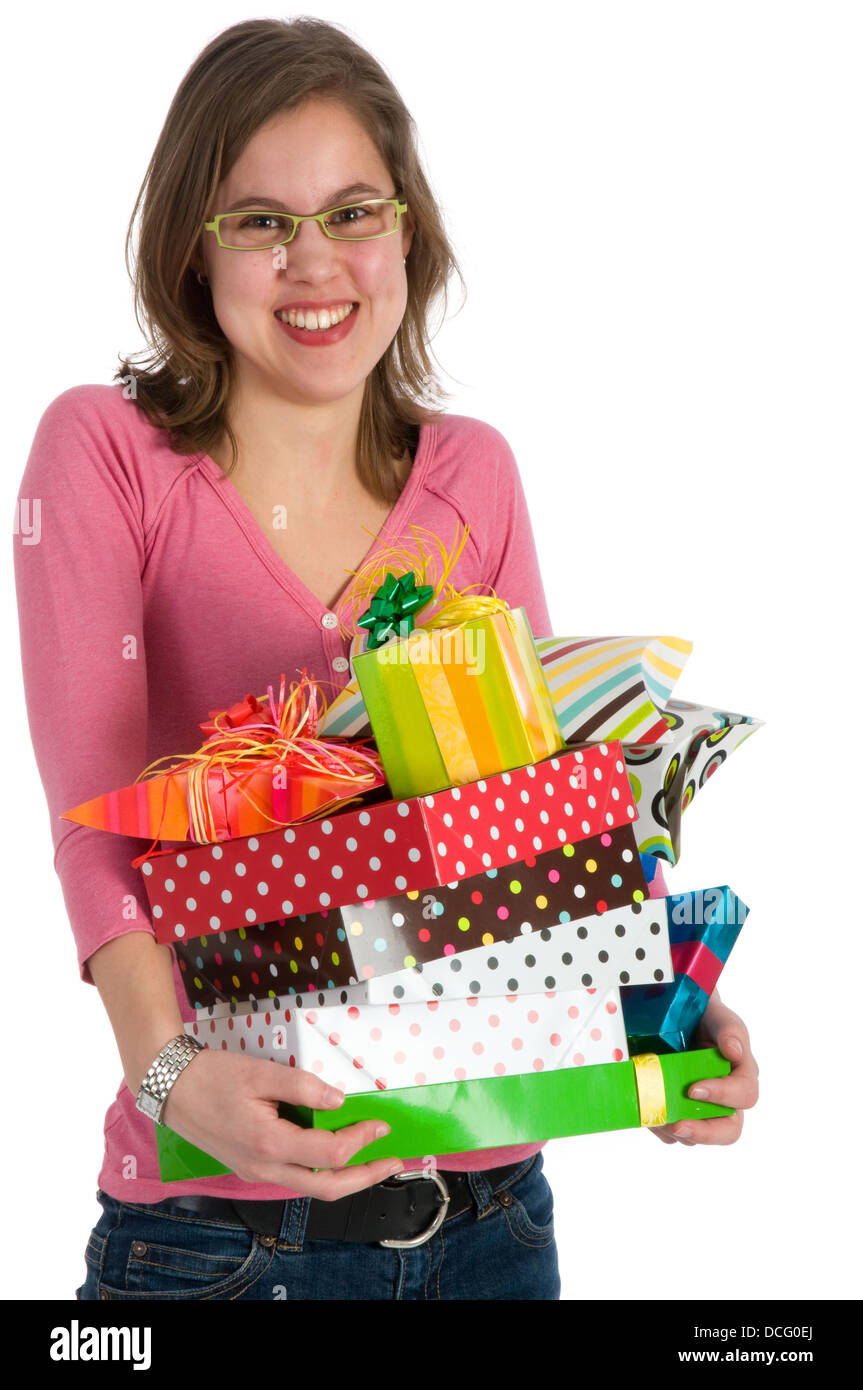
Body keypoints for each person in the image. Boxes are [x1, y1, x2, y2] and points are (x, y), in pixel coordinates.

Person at [13, 17, 758, 1302]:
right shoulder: (107, 455)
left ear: (406, 230)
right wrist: (167, 1077)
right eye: (257, 221)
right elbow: (96, 831)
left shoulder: (473, 475)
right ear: (192, 250)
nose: (314, 263)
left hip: (494, 1224)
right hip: (217, 1239)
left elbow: (524, 835)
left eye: (353, 210)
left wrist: (653, 1016)